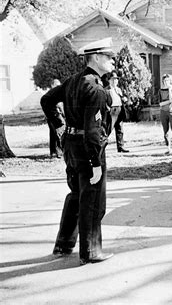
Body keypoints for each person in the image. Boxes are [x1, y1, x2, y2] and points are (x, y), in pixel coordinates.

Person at [40, 37, 115, 265]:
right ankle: (91, 251)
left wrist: (61, 127)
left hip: (71, 147)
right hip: (87, 149)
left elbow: (47, 100)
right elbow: (93, 130)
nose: (112, 62)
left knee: (75, 195)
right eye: (108, 57)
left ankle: (64, 244)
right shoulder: (94, 88)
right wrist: (95, 163)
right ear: (96, 58)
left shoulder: (73, 80)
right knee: (92, 200)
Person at [106, 70, 129, 153]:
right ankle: (102, 144)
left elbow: (122, 97)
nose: (115, 81)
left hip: (120, 109)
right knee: (108, 129)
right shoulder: (107, 90)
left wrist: (124, 99)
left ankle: (120, 147)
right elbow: (104, 101)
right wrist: (108, 109)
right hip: (112, 110)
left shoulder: (119, 89)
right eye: (113, 79)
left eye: (116, 79)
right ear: (109, 80)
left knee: (120, 129)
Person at [46, 79, 64, 158]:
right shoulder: (53, 94)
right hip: (54, 116)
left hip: (54, 115)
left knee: (54, 134)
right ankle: (57, 152)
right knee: (56, 133)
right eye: (57, 85)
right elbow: (59, 105)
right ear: (52, 85)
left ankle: (54, 151)